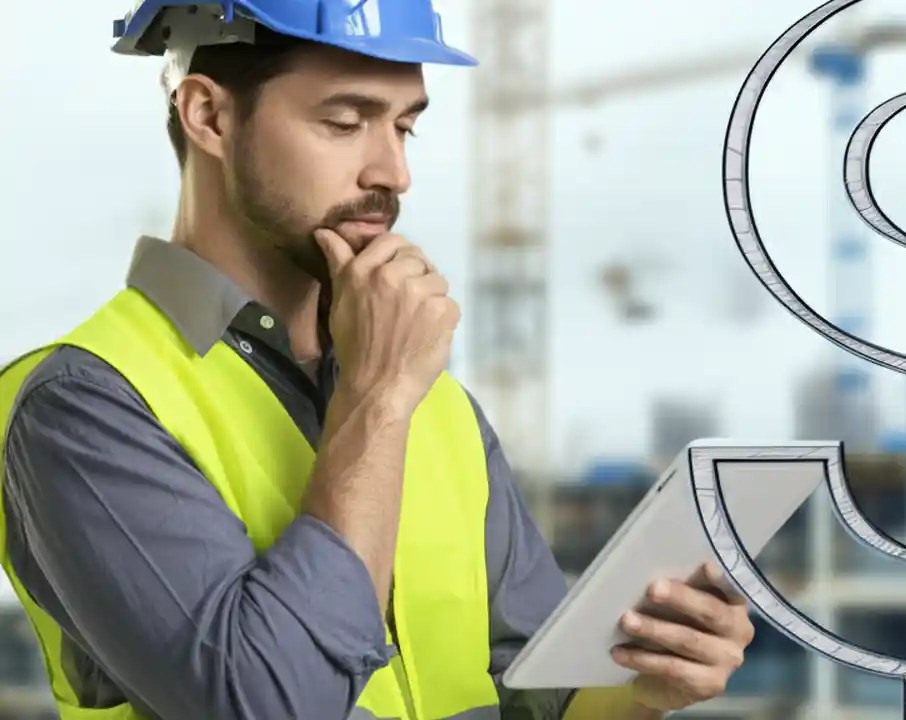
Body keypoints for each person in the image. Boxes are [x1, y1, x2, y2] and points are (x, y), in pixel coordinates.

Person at [0, 2, 754, 719]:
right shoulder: (81, 404)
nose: (393, 173)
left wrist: (639, 691)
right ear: (210, 115)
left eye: (405, 127)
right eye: (344, 122)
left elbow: (537, 695)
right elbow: (264, 702)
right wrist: (379, 397)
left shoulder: (436, 403)